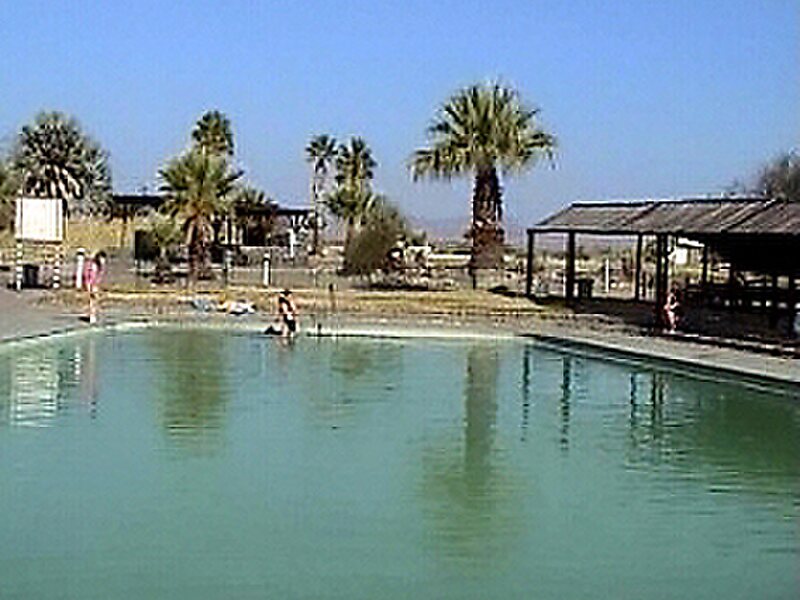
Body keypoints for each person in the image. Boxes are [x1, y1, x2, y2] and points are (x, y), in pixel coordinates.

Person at [84, 251, 107, 324]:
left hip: (95, 284)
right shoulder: (92, 265)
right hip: (91, 283)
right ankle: (92, 316)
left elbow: (99, 276)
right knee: (92, 300)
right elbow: (87, 275)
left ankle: (93, 315)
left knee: (95, 300)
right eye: (102, 258)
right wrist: (88, 285)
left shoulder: (100, 266)